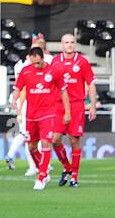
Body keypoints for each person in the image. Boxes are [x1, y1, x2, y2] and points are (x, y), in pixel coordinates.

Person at [12, 46, 69, 190]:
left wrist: (67, 112)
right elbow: (17, 88)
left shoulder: (53, 70)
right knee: (31, 147)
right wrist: (14, 100)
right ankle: (42, 170)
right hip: (31, 114)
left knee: (45, 143)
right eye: (33, 63)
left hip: (48, 113)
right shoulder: (26, 71)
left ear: (42, 58)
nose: (36, 66)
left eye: (38, 63)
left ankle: (42, 175)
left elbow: (63, 91)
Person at [49, 33, 98, 188]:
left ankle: (74, 176)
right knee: (55, 140)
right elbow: (50, 83)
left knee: (74, 141)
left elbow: (91, 84)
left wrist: (93, 105)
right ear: (62, 45)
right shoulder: (55, 62)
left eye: (71, 42)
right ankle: (67, 167)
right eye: (66, 42)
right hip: (58, 105)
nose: (69, 45)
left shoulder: (82, 62)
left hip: (76, 104)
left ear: (75, 44)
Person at [6, 32, 48, 175]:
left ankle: (39, 164)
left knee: (37, 137)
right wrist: (19, 108)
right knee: (28, 136)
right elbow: (22, 90)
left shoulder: (48, 64)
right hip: (27, 106)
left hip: (42, 106)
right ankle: (33, 165)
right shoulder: (24, 68)